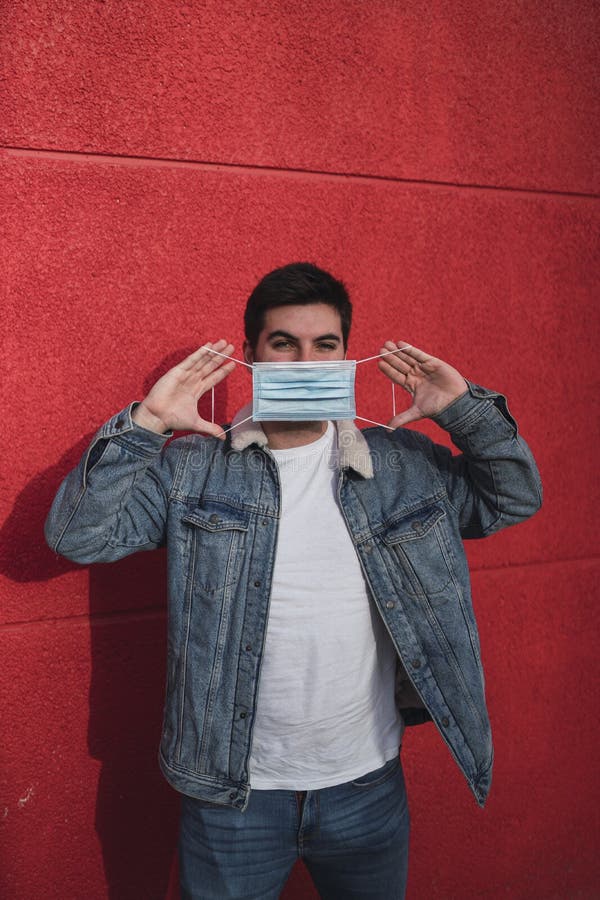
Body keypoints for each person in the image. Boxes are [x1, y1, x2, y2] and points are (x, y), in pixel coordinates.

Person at [45, 262, 542, 900]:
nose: (305, 361)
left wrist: (466, 412)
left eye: (325, 345)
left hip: (368, 786)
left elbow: (513, 500)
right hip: (232, 795)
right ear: (250, 354)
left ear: (346, 356)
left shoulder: (402, 465)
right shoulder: (195, 468)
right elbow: (76, 535)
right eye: (284, 343)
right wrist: (147, 425)